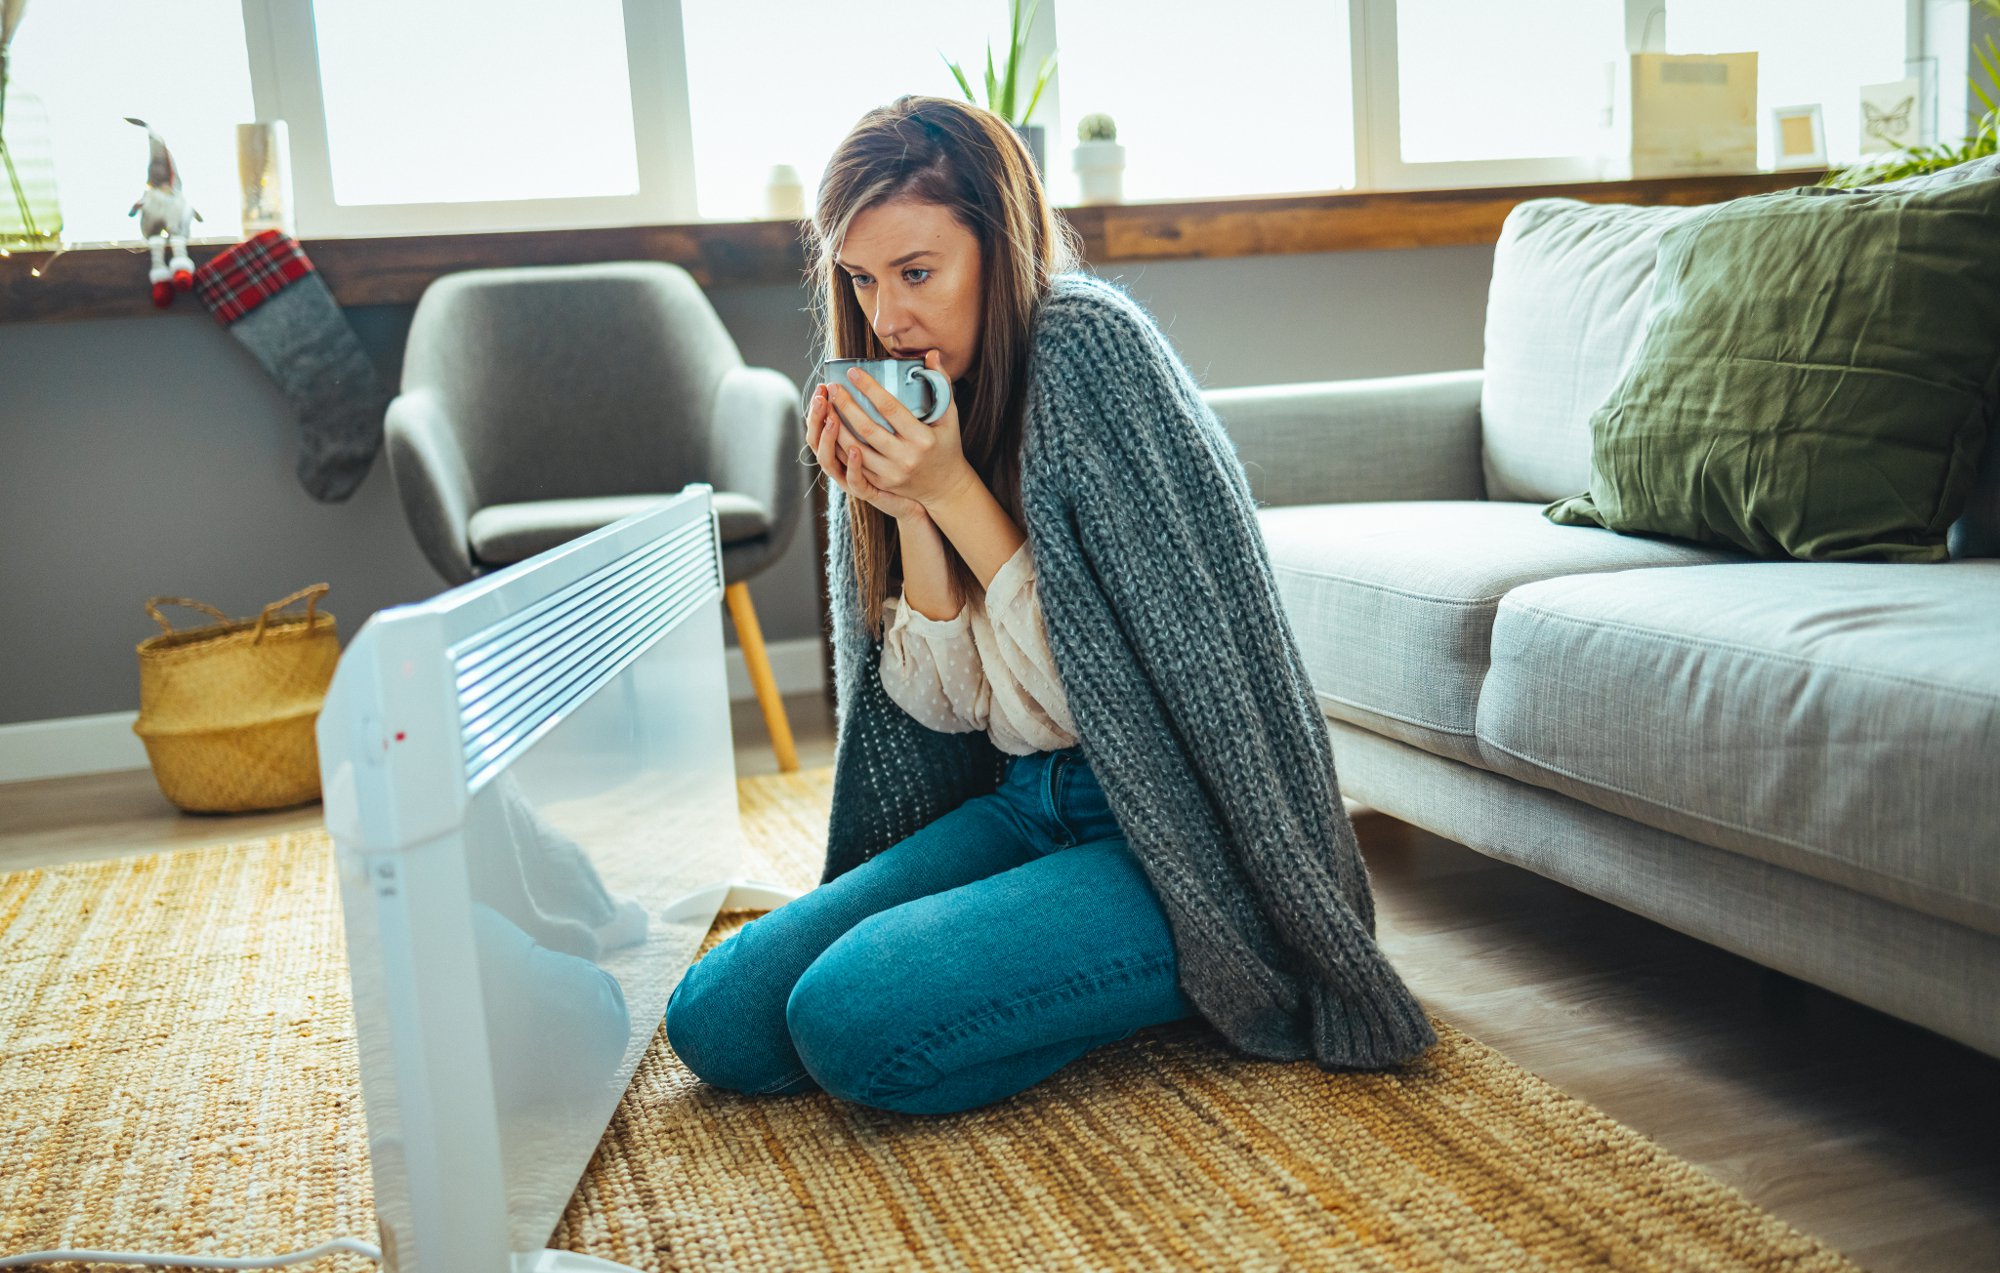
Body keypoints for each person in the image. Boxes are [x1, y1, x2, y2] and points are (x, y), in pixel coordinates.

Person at [663, 95, 1437, 1117]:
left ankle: (1200, 970)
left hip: (1173, 832)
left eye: (916, 273)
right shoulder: (916, 393)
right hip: (1026, 802)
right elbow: (947, 712)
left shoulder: (1087, 350)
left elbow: (1118, 700)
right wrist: (907, 509)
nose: (886, 317)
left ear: (999, 245)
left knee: (848, 1019)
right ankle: (1050, 958)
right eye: (860, 278)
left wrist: (952, 491)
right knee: (717, 1017)